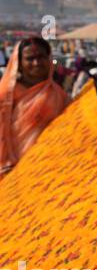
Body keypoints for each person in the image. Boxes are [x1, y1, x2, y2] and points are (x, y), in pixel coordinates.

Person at [0, 37, 71, 178]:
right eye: (30, 58)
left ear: (49, 59)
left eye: (41, 57)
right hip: (11, 170)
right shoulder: (6, 94)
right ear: (19, 63)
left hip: (49, 170)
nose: (36, 63)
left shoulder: (59, 94)